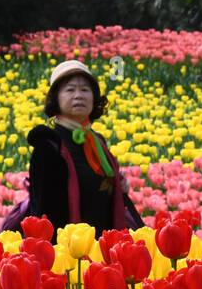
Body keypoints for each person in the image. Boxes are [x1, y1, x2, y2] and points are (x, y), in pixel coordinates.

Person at [12, 59, 140, 234]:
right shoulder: (48, 146)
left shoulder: (97, 141)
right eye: (70, 89)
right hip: (66, 249)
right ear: (56, 98)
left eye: (85, 90)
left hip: (103, 246)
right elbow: (41, 209)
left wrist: (118, 185)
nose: (79, 95)